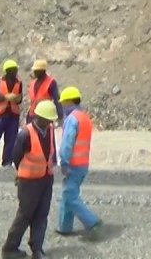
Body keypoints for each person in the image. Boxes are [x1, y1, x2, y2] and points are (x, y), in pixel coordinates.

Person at [3, 99, 58, 259]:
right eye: (48, 119)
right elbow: (16, 157)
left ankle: (37, 249)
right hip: (29, 182)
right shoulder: (25, 134)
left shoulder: (50, 130)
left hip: (46, 179)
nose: (50, 122)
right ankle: (9, 249)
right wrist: (20, 174)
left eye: (51, 120)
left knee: (42, 214)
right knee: (25, 215)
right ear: (38, 117)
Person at [55, 86, 101, 238]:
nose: (61, 105)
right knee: (68, 193)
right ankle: (64, 227)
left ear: (69, 101)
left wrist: (64, 161)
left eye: (63, 102)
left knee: (70, 196)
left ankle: (92, 222)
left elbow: (68, 142)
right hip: (83, 164)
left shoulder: (72, 119)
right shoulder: (84, 117)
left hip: (73, 164)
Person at [26, 60, 62, 124]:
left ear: (43, 71)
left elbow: (57, 99)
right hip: (32, 115)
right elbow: (33, 101)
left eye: (36, 71)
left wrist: (60, 116)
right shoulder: (33, 83)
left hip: (45, 117)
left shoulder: (51, 82)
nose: (34, 72)